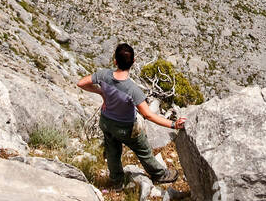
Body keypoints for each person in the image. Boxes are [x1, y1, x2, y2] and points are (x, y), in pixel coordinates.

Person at [78, 43, 186, 190]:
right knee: (143, 151)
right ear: (133, 62)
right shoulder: (132, 90)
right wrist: (173, 125)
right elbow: (148, 115)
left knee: (112, 152)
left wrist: (101, 92)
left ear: (115, 61)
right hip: (125, 128)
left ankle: (117, 182)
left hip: (106, 122)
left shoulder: (103, 75)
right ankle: (160, 175)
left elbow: (81, 83)